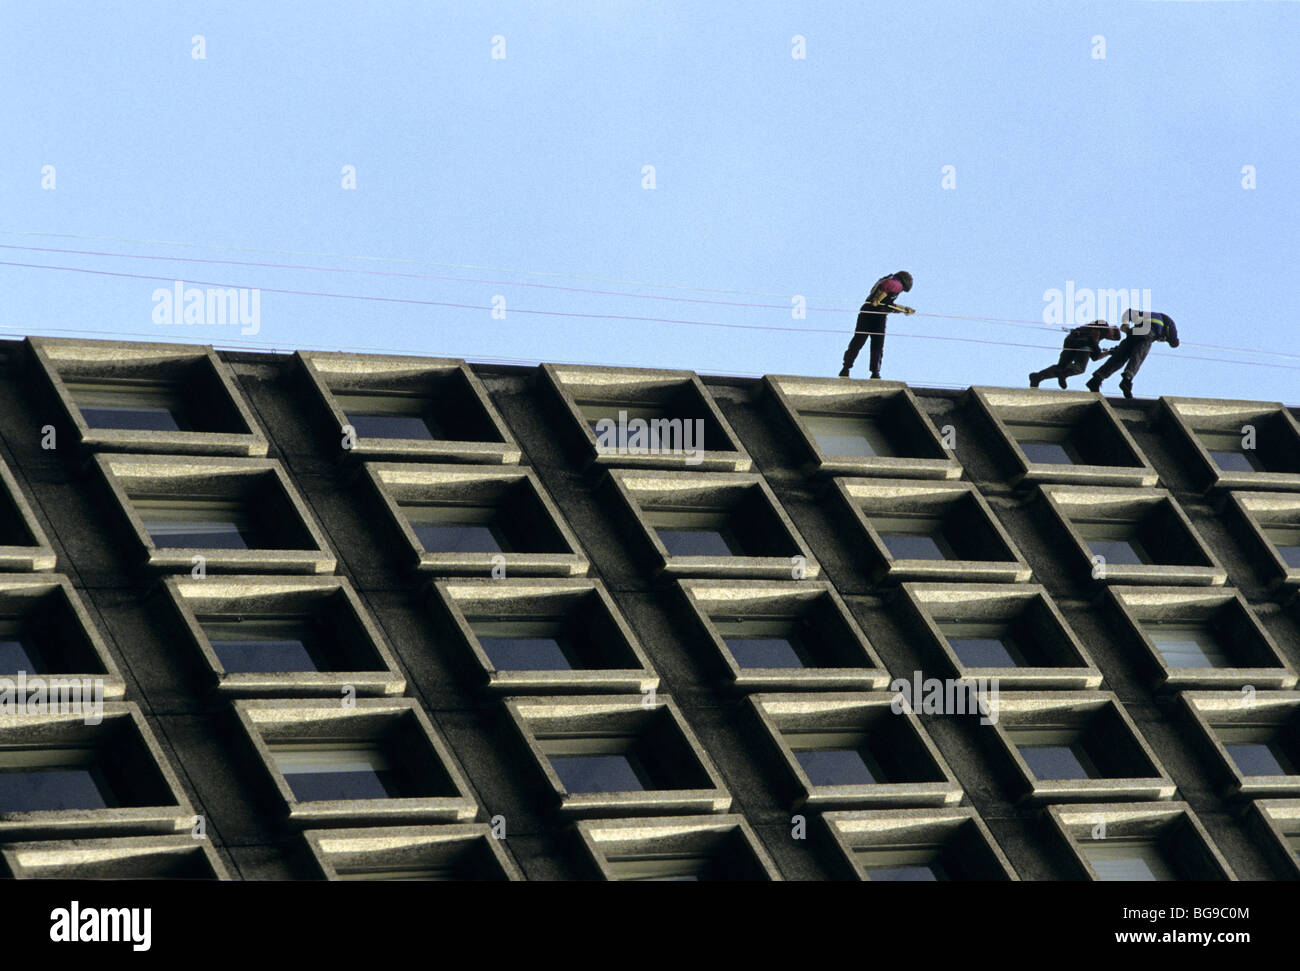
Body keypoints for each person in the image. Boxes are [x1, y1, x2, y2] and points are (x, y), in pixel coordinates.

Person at [1085, 308, 1179, 398]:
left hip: (1134, 332)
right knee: (1138, 356)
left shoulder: (1146, 315)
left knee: (1119, 357)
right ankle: (1127, 380)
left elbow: (1128, 313)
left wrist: (1125, 326)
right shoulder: (1169, 322)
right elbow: (1174, 342)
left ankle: (1096, 379)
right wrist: (1165, 338)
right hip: (1147, 333)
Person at [839, 271, 914, 378]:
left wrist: (904, 309)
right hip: (877, 316)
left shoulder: (887, 280)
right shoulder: (896, 284)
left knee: (858, 341)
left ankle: (846, 368)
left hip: (866, 312)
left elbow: (888, 304)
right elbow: (880, 300)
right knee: (877, 345)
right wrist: (879, 298)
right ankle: (875, 372)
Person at [1029, 320, 1121, 389]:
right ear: (1112, 329)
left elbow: (1095, 357)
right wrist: (1098, 348)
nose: (1110, 337)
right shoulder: (1104, 325)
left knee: (1061, 366)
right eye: (1113, 335)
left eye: (1112, 339)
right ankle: (1063, 373)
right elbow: (1094, 336)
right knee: (1080, 367)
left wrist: (1109, 353)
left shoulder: (1100, 336)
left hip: (1071, 340)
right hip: (1083, 343)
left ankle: (1038, 376)